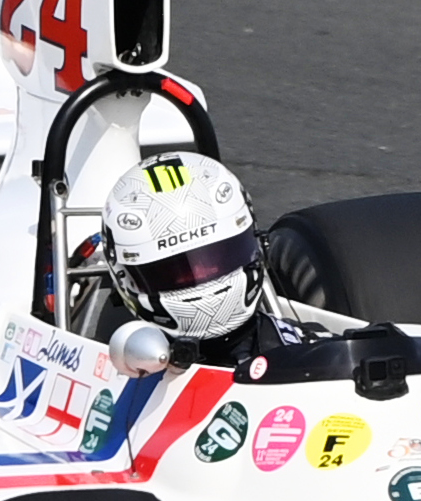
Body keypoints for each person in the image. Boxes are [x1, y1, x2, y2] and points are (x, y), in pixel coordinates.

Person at [100, 152, 315, 365]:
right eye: (172, 273)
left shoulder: (306, 345)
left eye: (219, 258)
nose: (202, 275)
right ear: (121, 273)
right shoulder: (107, 367)